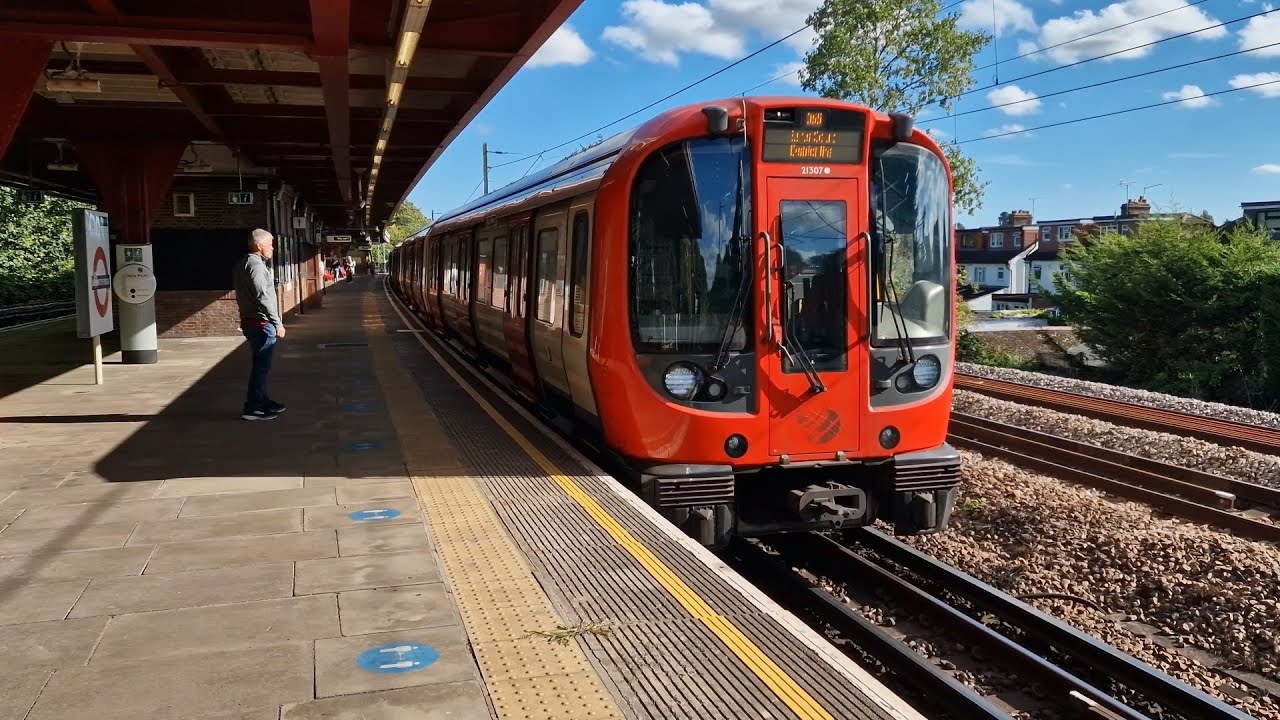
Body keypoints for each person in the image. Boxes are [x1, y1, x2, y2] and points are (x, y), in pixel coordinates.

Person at [233, 229, 287, 420]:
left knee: (261, 365)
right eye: (270, 244)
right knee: (261, 366)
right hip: (261, 323)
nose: (272, 248)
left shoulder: (244, 263)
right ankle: (254, 407)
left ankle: (261, 400)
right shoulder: (255, 266)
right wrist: (277, 322)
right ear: (259, 245)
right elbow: (262, 296)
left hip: (253, 321)